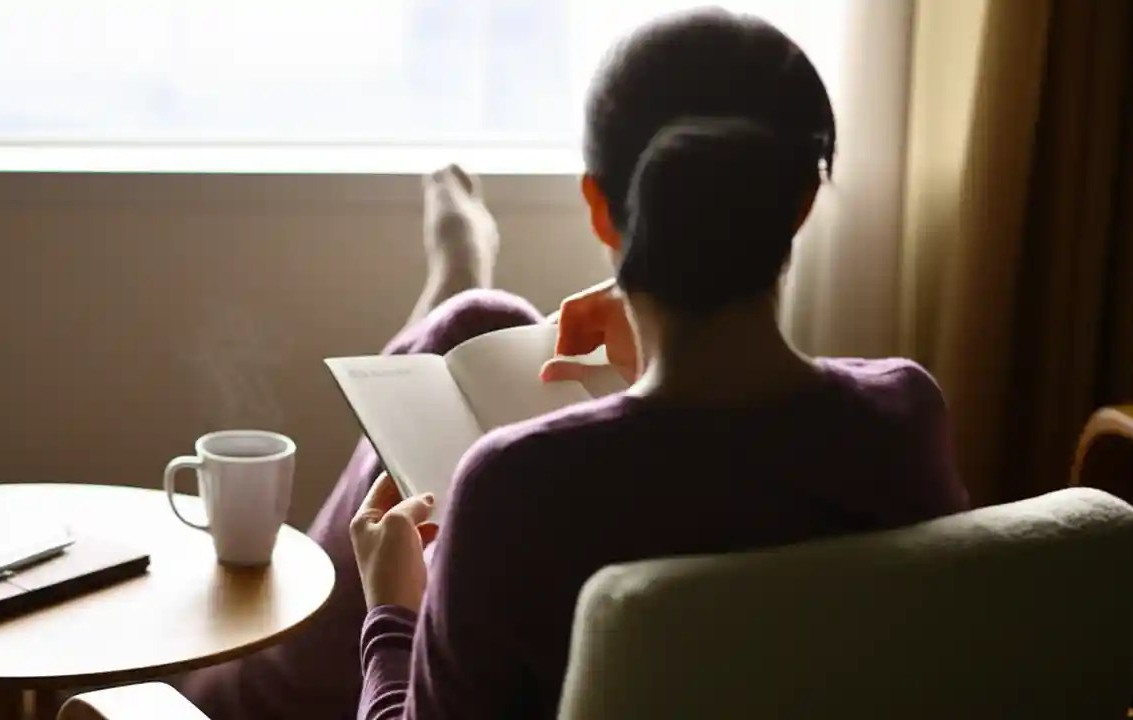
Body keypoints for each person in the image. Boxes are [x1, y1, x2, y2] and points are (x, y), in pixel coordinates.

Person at [182, 9, 968, 720]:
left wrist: (392, 612)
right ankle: (460, 294)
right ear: (803, 202)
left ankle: (214, 702)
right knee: (482, 324)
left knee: (465, 329)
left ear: (599, 206)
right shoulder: (902, 420)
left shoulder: (517, 487)